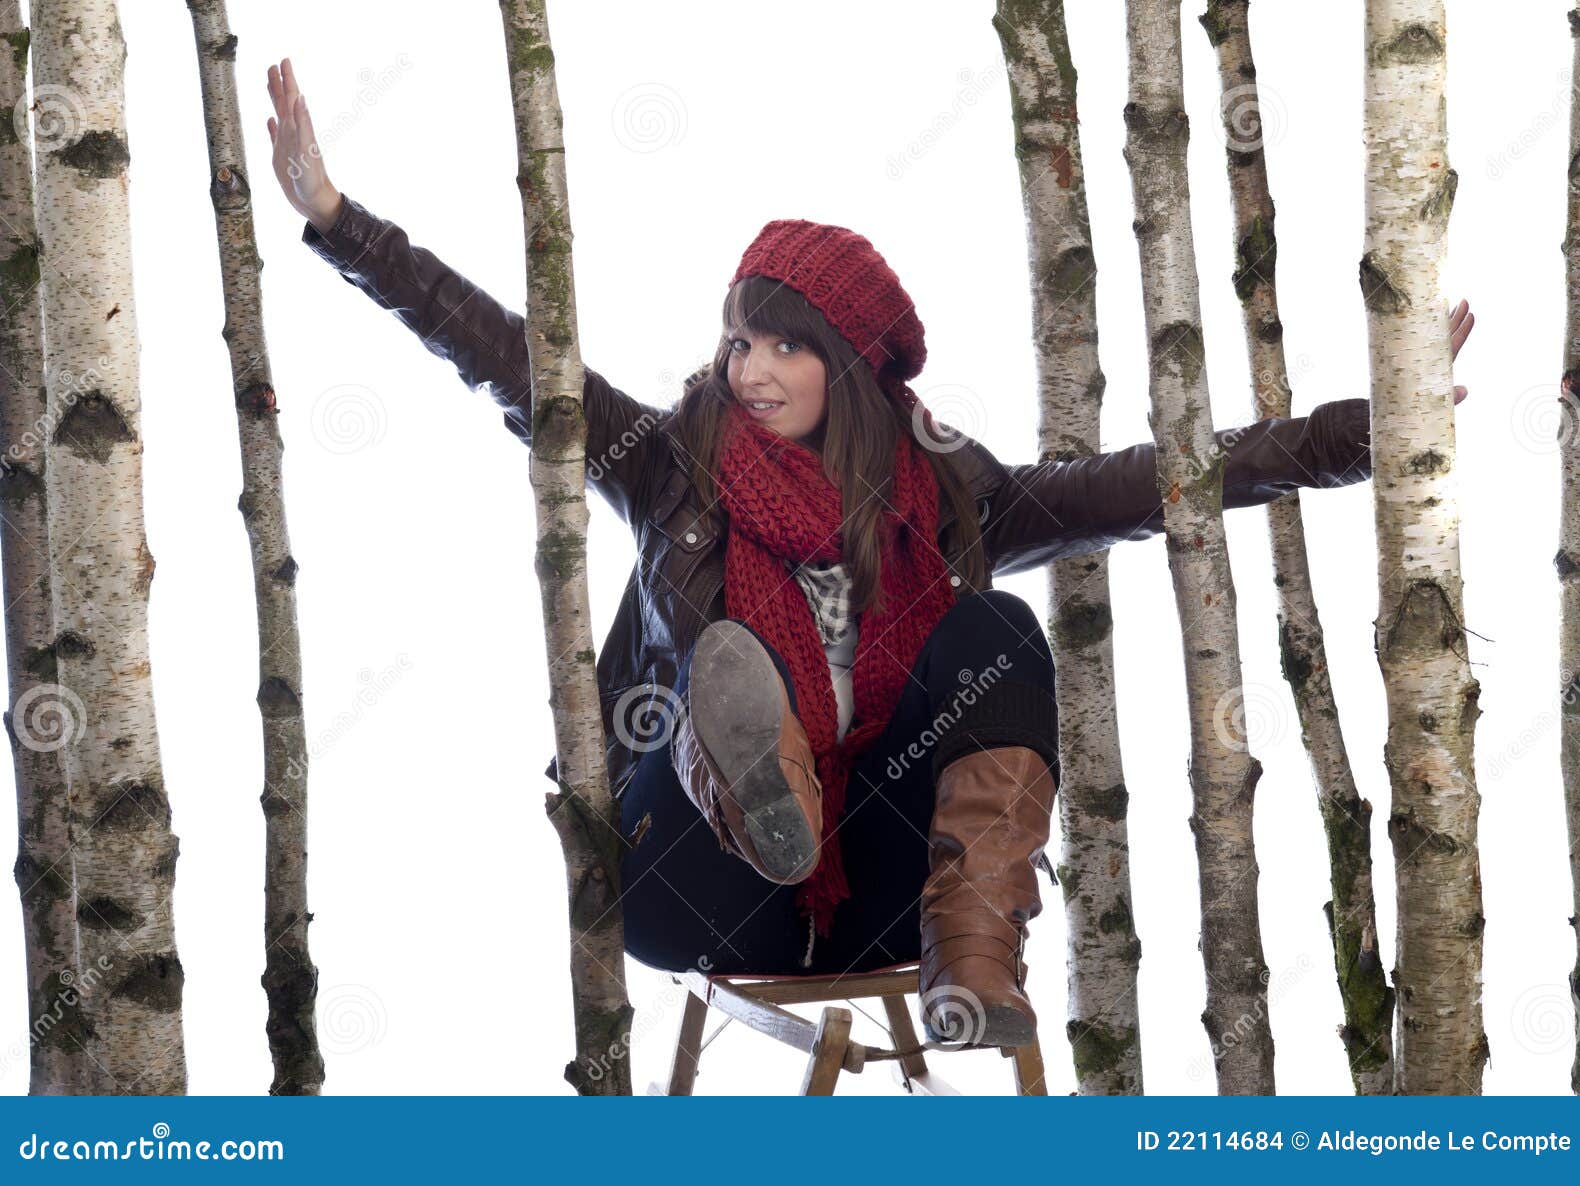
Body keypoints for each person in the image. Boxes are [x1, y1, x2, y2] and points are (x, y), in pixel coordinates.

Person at [266, 58, 1475, 1049]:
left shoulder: (944, 491)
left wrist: (1378, 424)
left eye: (782, 347)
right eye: (738, 341)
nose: (749, 371)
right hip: (696, 884)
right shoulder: (670, 460)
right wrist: (338, 221)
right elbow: (511, 360)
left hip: (877, 894)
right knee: (730, 659)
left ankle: (973, 956)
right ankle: (759, 788)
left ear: (849, 362)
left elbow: (1159, 478)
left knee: (994, 632)